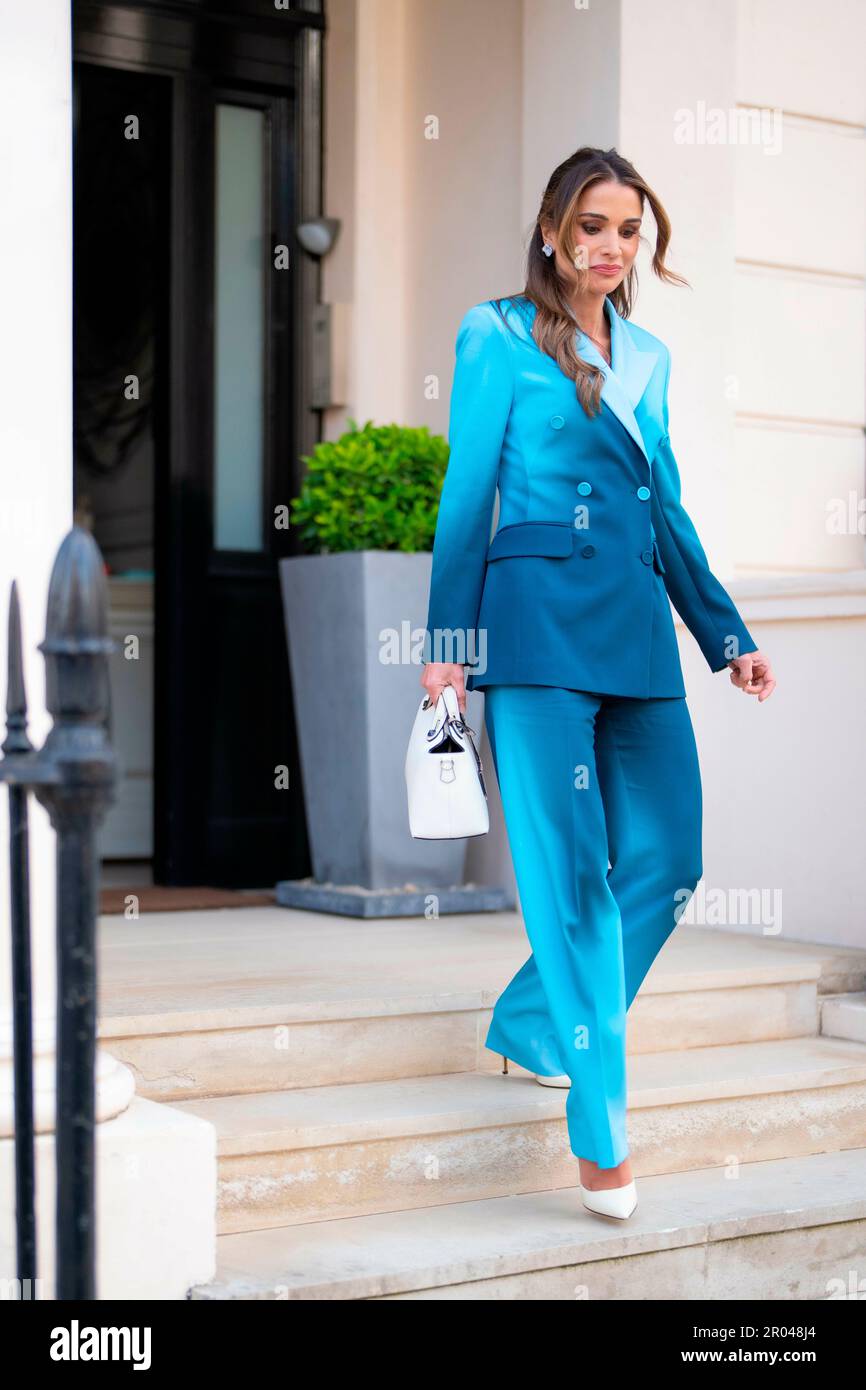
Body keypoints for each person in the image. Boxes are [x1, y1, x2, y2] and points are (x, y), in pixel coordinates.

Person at [421, 146, 776, 1221]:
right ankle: (600, 1133)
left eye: (626, 229)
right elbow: (465, 493)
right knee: (571, 877)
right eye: (590, 226)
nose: (609, 247)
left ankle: (534, 1022)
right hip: (532, 636)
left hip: (634, 637)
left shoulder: (651, 356)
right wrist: (448, 639)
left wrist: (723, 633)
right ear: (550, 232)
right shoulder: (491, 333)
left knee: (670, 858)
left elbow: (662, 508)